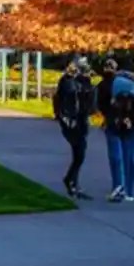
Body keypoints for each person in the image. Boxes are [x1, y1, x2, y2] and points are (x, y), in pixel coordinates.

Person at [96, 59, 134, 203]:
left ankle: (118, 186)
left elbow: (100, 104)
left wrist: (109, 116)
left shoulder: (107, 84)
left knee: (116, 157)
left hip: (113, 124)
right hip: (132, 125)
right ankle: (129, 191)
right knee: (130, 158)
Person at [52, 61, 95, 200]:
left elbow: (89, 105)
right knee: (79, 152)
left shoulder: (81, 84)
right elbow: (71, 101)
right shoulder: (70, 83)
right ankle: (71, 181)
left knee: (79, 153)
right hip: (73, 122)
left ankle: (72, 181)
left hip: (78, 121)